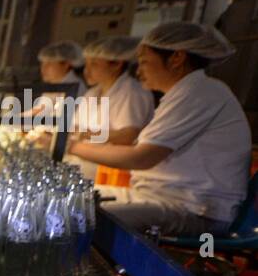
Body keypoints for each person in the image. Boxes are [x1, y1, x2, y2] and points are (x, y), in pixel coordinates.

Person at [68, 21, 251, 235]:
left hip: (194, 209)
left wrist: (71, 146)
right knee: (65, 197)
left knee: (78, 216)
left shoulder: (200, 93)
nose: (139, 71)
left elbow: (141, 157)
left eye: (144, 62)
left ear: (177, 58)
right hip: (157, 196)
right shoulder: (181, 94)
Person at [66, 35, 156, 179]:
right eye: (86, 64)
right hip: (85, 163)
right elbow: (75, 126)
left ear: (117, 64)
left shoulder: (133, 92)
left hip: (112, 171)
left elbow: (127, 136)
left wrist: (86, 134)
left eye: (94, 64)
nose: (86, 71)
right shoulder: (93, 92)